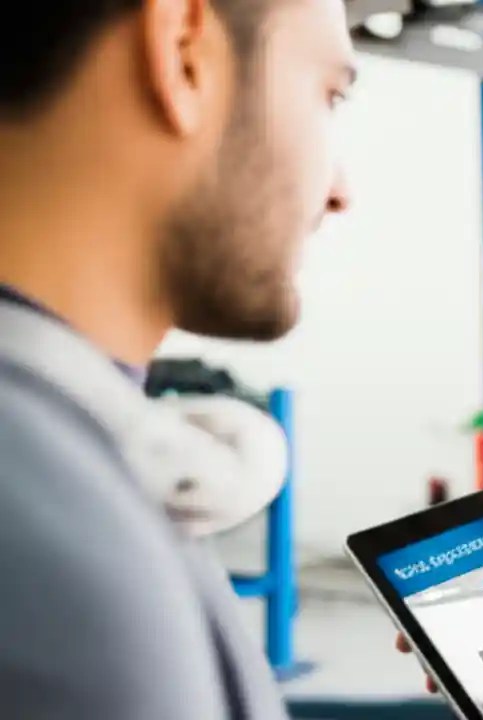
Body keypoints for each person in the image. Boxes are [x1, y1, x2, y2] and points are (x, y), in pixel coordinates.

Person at [0, 1, 354, 717]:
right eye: (329, 94)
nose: (341, 190)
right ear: (184, 51)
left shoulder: (66, 472)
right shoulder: (65, 567)